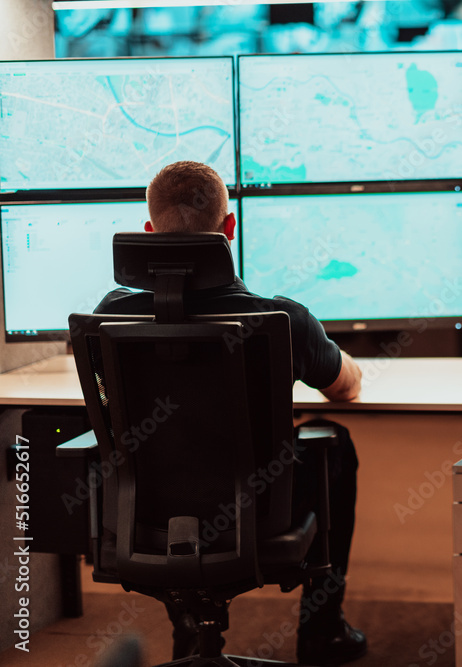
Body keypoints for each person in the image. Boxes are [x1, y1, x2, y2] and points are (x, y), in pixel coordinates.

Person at [94, 161, 367, 666]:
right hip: (261, 515)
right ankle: (321, 631)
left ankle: (188, 636)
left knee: (166, 454)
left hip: (147, 518)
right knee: (335, 443)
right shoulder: (280, 319)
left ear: (150, 232)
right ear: (229, 228)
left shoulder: (108, 317)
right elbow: (345, 389)